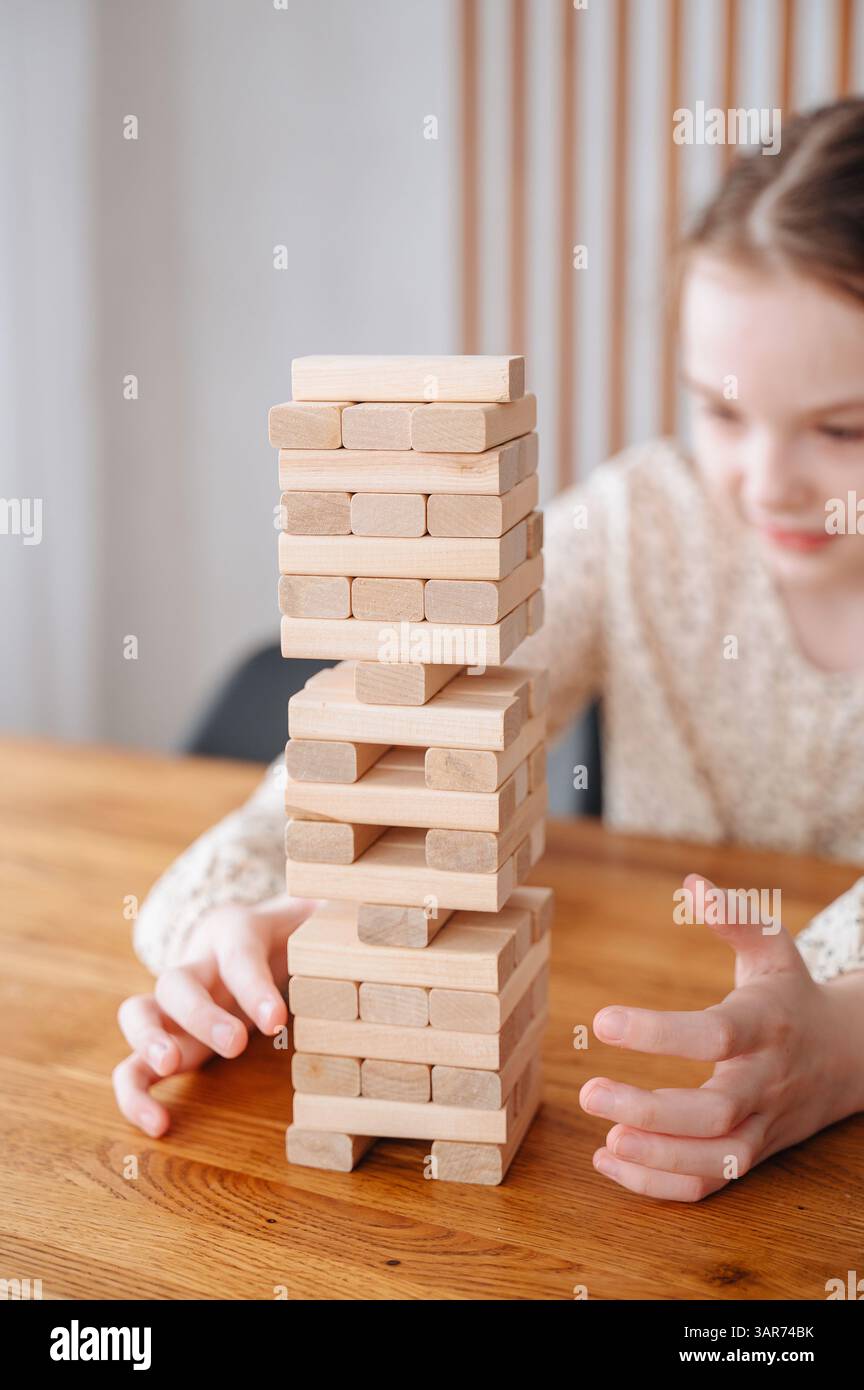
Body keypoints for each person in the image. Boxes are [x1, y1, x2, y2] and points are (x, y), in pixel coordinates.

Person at [114, 99, 864, 1202]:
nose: (767, 479)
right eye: (723, 410)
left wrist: (844, 1030)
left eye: (844, 428)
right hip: (630, 1063)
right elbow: (392, 722)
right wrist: (231, 926)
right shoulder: (643, 522)